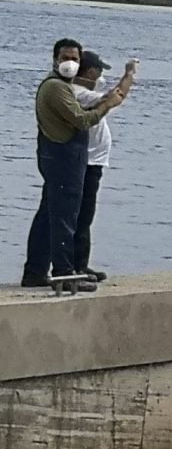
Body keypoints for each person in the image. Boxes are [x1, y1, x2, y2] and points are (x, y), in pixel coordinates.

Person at [23, 39, 132, 292]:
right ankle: (64, 274)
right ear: (55, 60)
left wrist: (103, 100)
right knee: (64, 218)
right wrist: (107, 104)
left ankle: (35, 272)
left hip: (62, 158)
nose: (69, 63)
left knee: (48, 217)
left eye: (74, 58)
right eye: (65, 57)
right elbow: (82, 121)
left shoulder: (63, 87)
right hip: (63, 160)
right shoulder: (56, 88)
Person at [68, 51, 121, 280]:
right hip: (86, 163)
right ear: (90, 72)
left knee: (84, 216)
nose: (100, 76)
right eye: (98, 71)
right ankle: (75, 267)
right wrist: (129, 75)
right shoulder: (81, 94)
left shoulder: (83, 90)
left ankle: (80, 264)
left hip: (92, 162)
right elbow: (113, 98)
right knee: (82, 216)